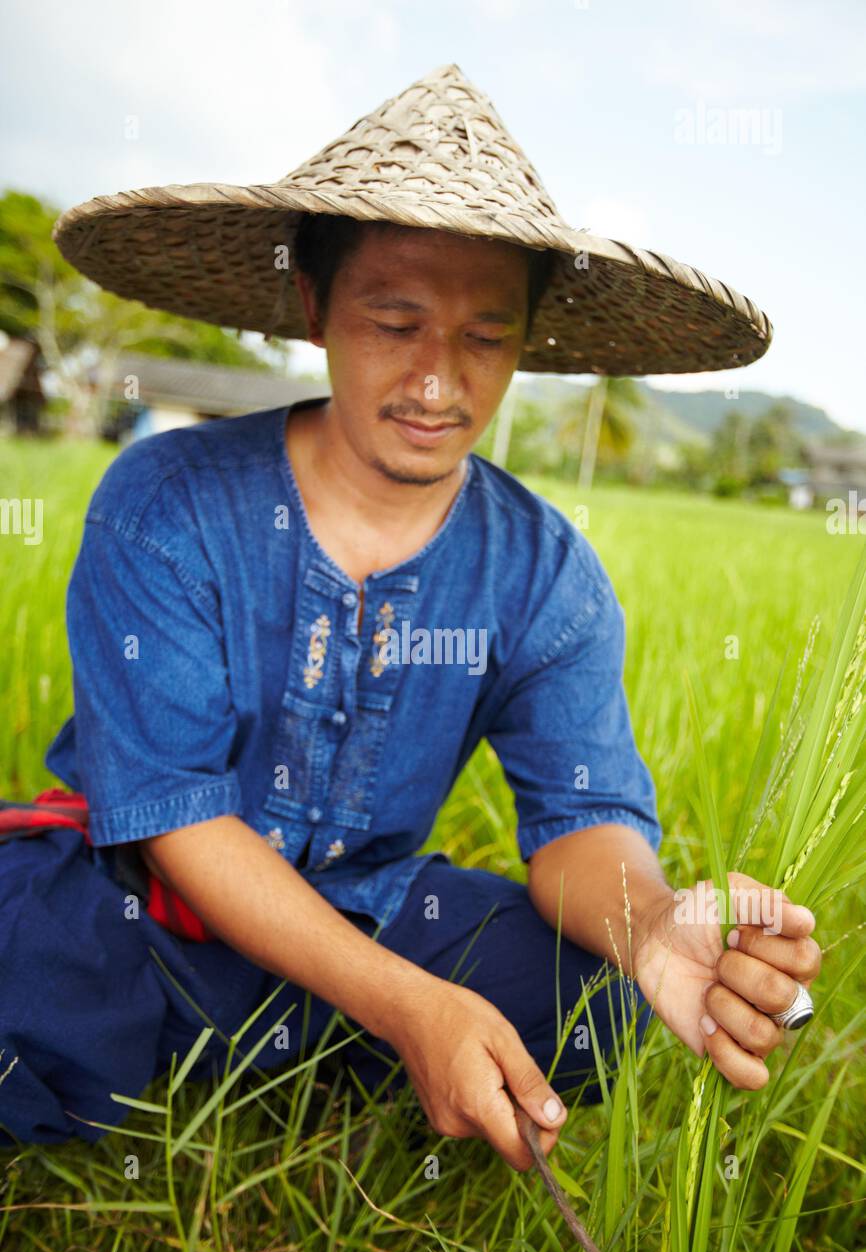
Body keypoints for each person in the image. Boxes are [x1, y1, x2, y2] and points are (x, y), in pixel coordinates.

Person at [0, 64, 820, 1167]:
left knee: (607, 998)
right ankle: (343, 1037)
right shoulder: (167, 502)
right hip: (150, 913)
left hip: (377, 910)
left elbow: (580, 821)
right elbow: (173, 817)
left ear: (526, 342)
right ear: (313, 307)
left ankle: (335, 1034)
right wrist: (402, 1006)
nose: (437, 382)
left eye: (485, 337)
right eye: (394, 320)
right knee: (34, 959)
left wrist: (654, 921)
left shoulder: (544, 573)